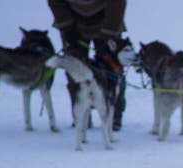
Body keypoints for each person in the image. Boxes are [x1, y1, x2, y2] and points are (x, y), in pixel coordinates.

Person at [48, 0, 128, 131]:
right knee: (74, 70)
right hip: (73, 24)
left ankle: (114, 116)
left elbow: (117, 3)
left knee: (112, 70)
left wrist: (109, 32)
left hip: (107, 18)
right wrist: (67, 27)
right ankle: (81, 115)